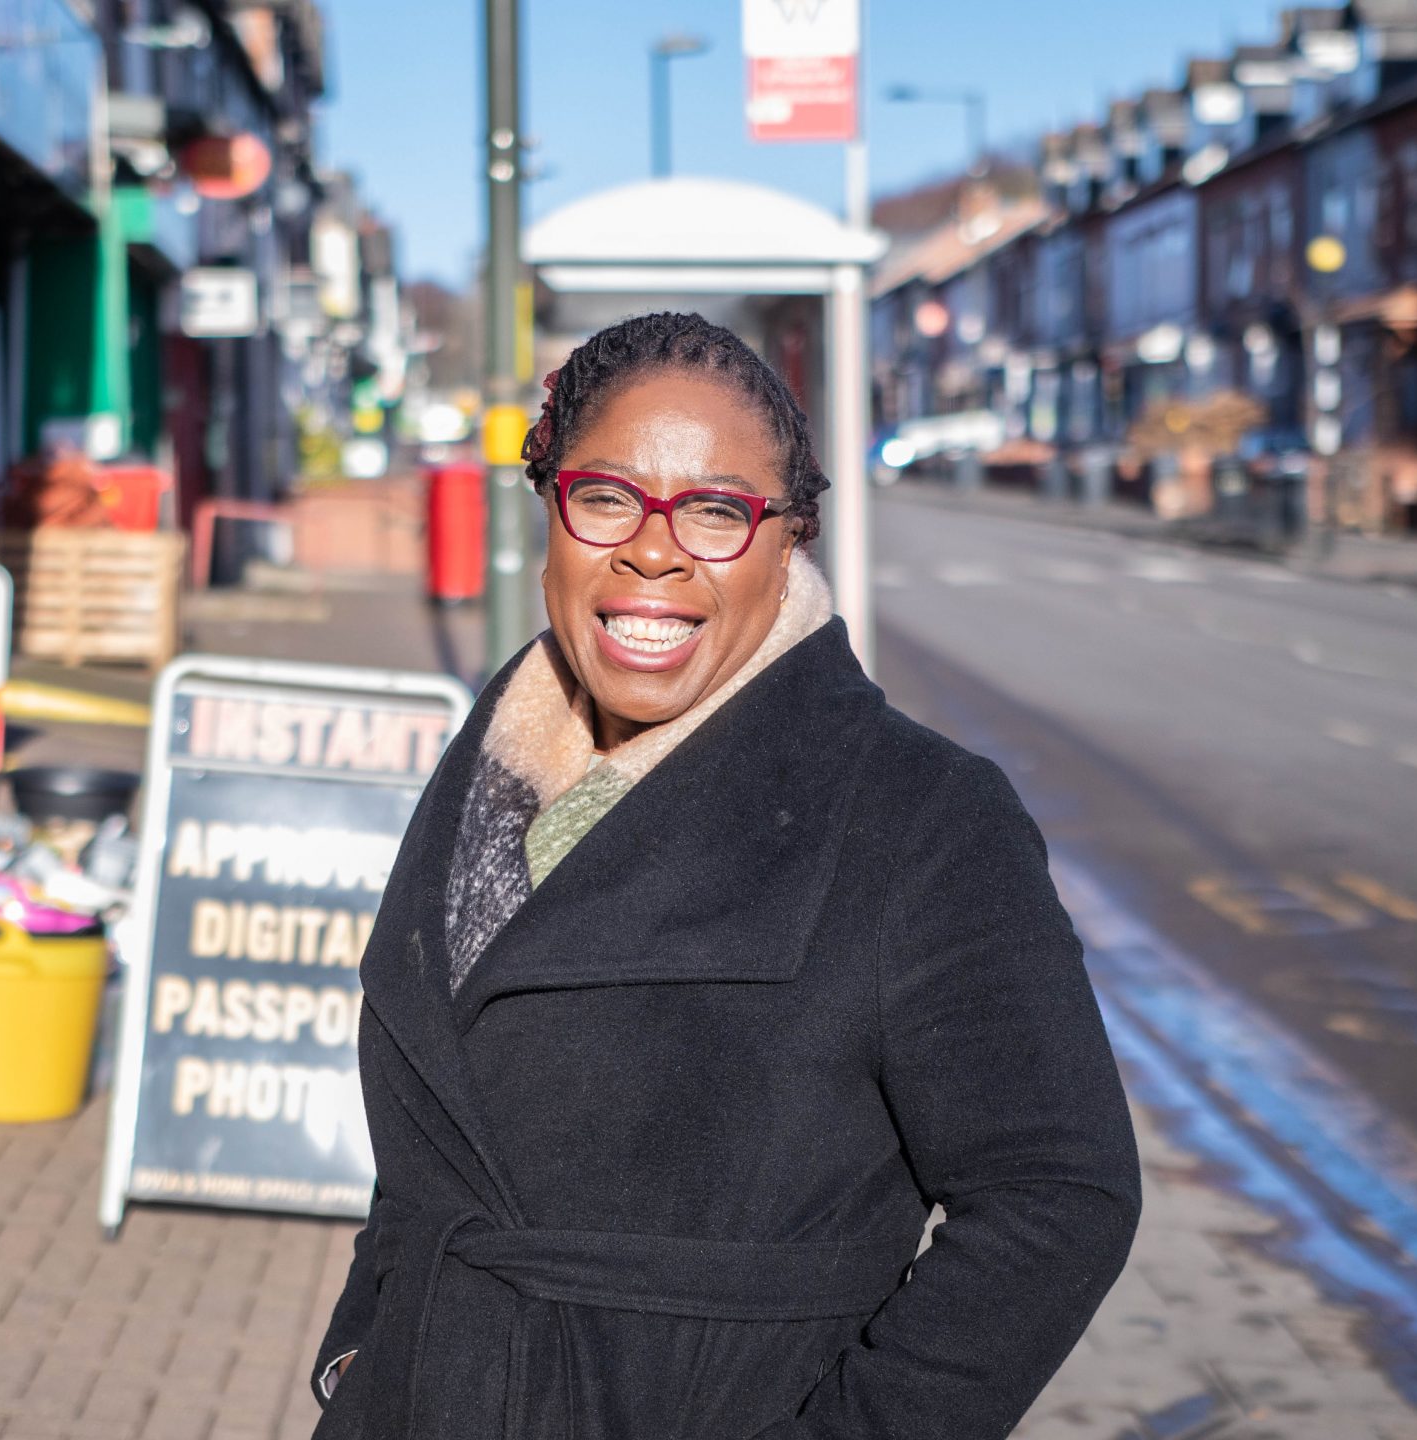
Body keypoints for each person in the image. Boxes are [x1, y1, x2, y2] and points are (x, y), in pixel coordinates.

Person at [310, 312, 1139, 1439]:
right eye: (606, 497)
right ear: (550, 509)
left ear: (787, 536)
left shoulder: (918, 815)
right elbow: (441, 1143)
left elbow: (1056, 1202)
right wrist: (360, 1345)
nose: (652, 552)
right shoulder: (496, 763)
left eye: (715, 511)